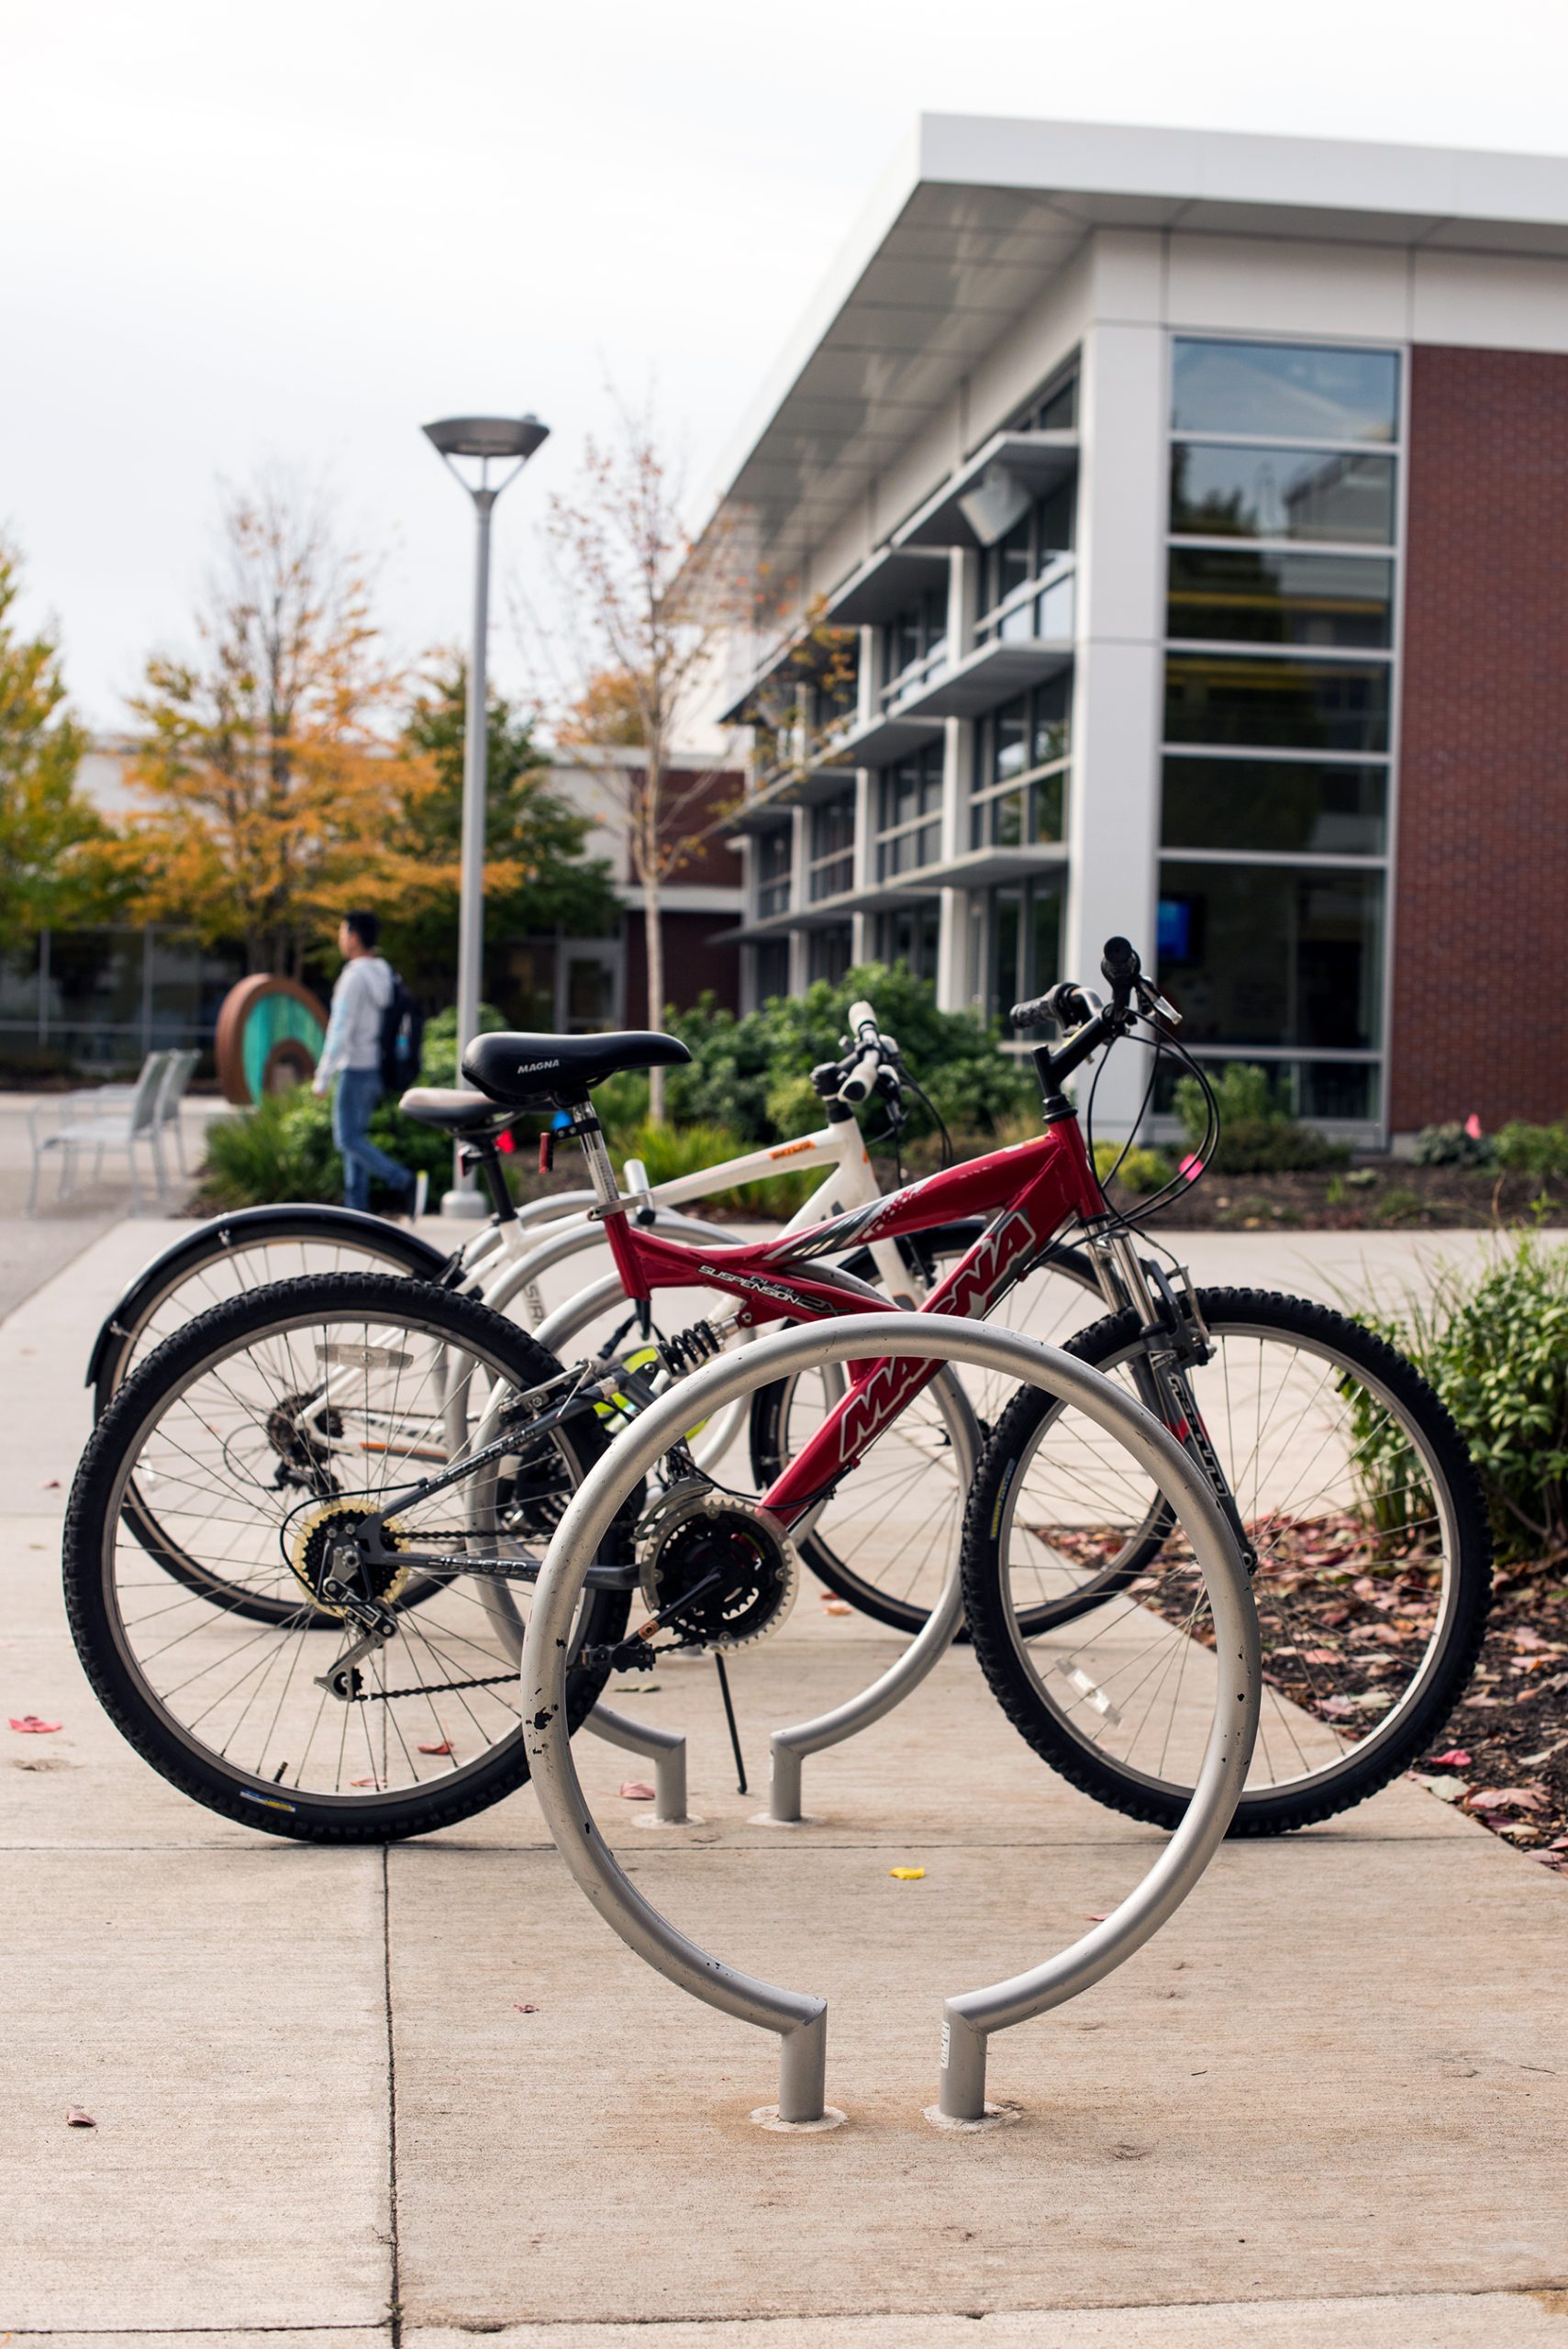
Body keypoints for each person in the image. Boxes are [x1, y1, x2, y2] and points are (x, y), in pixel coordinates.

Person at [311, 910, 416, 1215]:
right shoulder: (385, 973)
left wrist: (323, 1076)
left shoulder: (353, 977)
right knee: (356, 1140)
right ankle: (357, 1211)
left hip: (354, 1066)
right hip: (376, 1067)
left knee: (347, 1140)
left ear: (354, 938)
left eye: (343, 933)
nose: (340, 939)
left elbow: (340, 1027)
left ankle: (400, 1178)